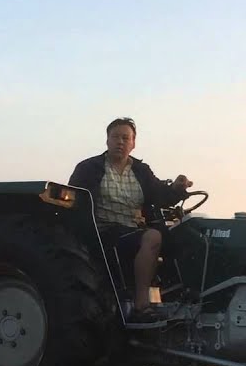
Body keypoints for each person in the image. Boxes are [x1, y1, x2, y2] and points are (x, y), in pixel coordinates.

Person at [69, 116, 193, 326]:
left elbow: (159, 194)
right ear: (107, 140)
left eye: (126, 138)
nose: (120, 142)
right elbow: (74, 203)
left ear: (133, 143)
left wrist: (177, 189)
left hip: (132, 231)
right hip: (102, 233)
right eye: (115, 137)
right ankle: (141, 306)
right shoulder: (88, 168)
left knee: (185, 235)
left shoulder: (141, 171)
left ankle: (184, 299)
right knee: (153, 236)